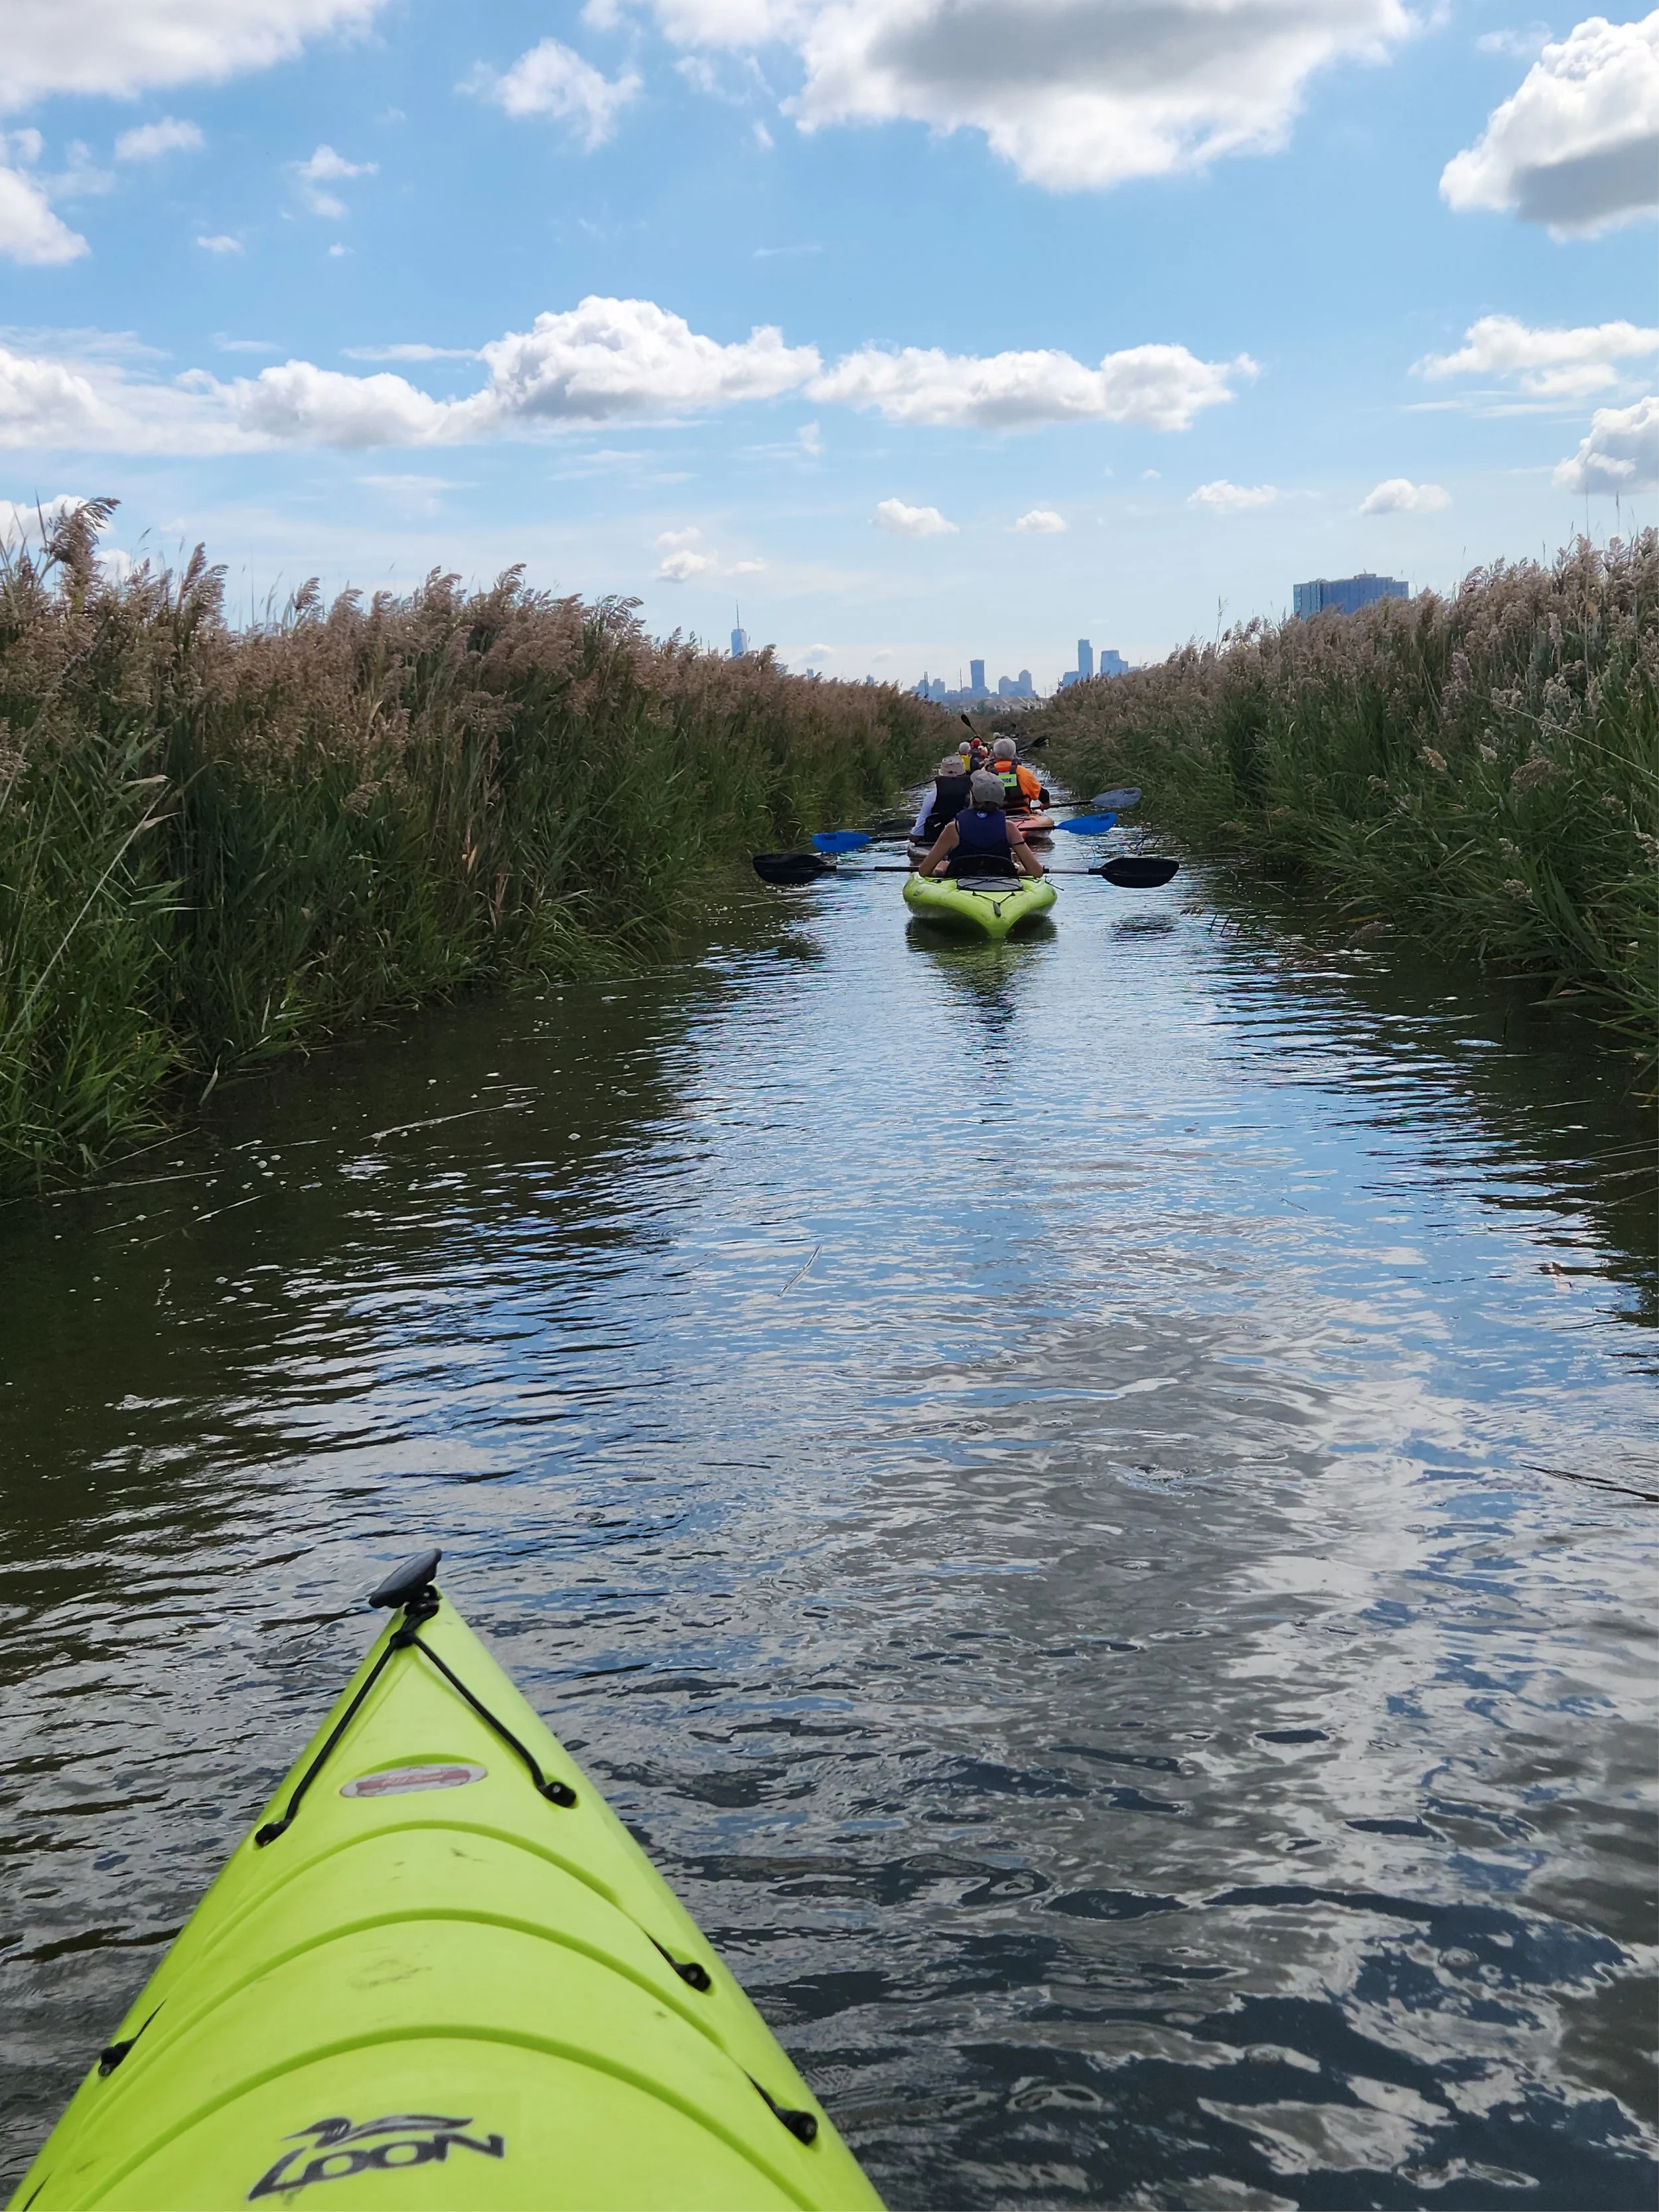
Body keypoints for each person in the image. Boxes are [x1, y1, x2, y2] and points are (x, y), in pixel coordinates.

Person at [916, 770, 1045, 880]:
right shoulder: (1009, 828)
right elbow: (1037, 872)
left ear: (972, 797)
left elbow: (924, 871)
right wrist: (1019, 870)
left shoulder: (954, 828)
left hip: (960, 883)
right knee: (1021, 865)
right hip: (1001, 884)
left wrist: (940, 870)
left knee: (942, 864)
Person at [909, 753, 977, 847]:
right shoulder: (974, 795)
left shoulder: (931, 797)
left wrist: (912, 836)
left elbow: (916, 836)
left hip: (937, 844)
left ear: (941, 776)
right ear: (964, 774)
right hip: (969, 843)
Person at [989, 736, 1047, 816]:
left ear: (995, 755)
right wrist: (1045, 806)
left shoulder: (987, 773)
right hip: (1022, 815)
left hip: (996, 816)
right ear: (1013, 754)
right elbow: (1044, 795)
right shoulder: (1024, 772)